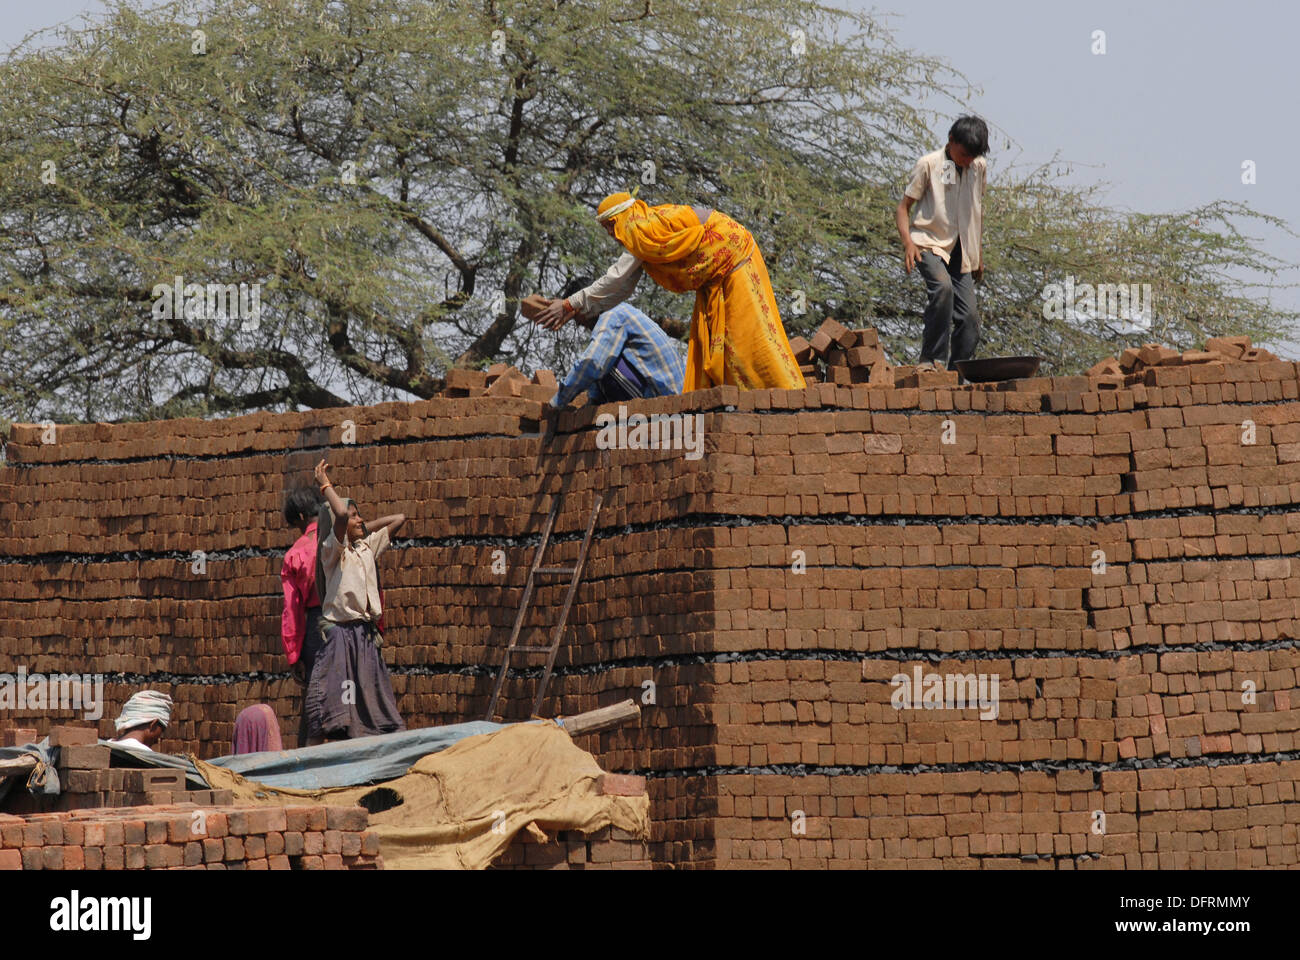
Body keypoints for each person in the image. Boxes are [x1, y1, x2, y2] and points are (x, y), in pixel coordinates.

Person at [535, 193, 805, 392]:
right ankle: (741, 401)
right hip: (716, 277)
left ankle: (786, 395)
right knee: (719, 343)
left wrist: (569, 304)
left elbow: (615, 277)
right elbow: (623, 286)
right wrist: (578, 308)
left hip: (735, 262)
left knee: (748, 336)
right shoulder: (647, 232)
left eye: (609, 225)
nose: (610, 234)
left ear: (620, 218)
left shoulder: (640, 229)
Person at [307, 459, 406, 741]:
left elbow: (399, 519)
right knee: (336, 705)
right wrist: (325, 485)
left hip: (364, 634)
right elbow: (338, 513)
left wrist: (360, 526)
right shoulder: (331, 552)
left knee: (372, 699)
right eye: (354, 516)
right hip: (340, 635)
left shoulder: (364, 549)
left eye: (359, 516)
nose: (359, 519)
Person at [895, 115, 989, 377]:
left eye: (973, 156)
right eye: (963, 154)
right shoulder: (929, 164)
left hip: (962, 250)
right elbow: (903, 208)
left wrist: (977, 254)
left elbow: (975, 211)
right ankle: (931, 360)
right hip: (928, 243)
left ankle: (958, 374)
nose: (967, 160)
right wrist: (908, 244)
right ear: (950, 141)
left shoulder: (978, 168)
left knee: (969, 318)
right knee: (942, 288)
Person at [532, 277, 685, 409]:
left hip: (665, 400)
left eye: (575, 316)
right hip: (672, 395)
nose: (578, 324)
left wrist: (557, 401)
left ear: (581, 305)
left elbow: (592, 363)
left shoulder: (613, 314)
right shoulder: (620, 311)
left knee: (599, 361)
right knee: (602, 357)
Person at [280, 486, 324, 746]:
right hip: (352, 626)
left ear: (299, 518)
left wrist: (293, 655)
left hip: (316, 628)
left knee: (315, 700)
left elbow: (292, 609)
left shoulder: (297, 552)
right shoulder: (344, 537)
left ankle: (307, 759)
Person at [105, 690, 173, 753]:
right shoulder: (145, 755)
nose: (156, 741)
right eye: (162, 730)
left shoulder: (105, 746)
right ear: (153, 724)